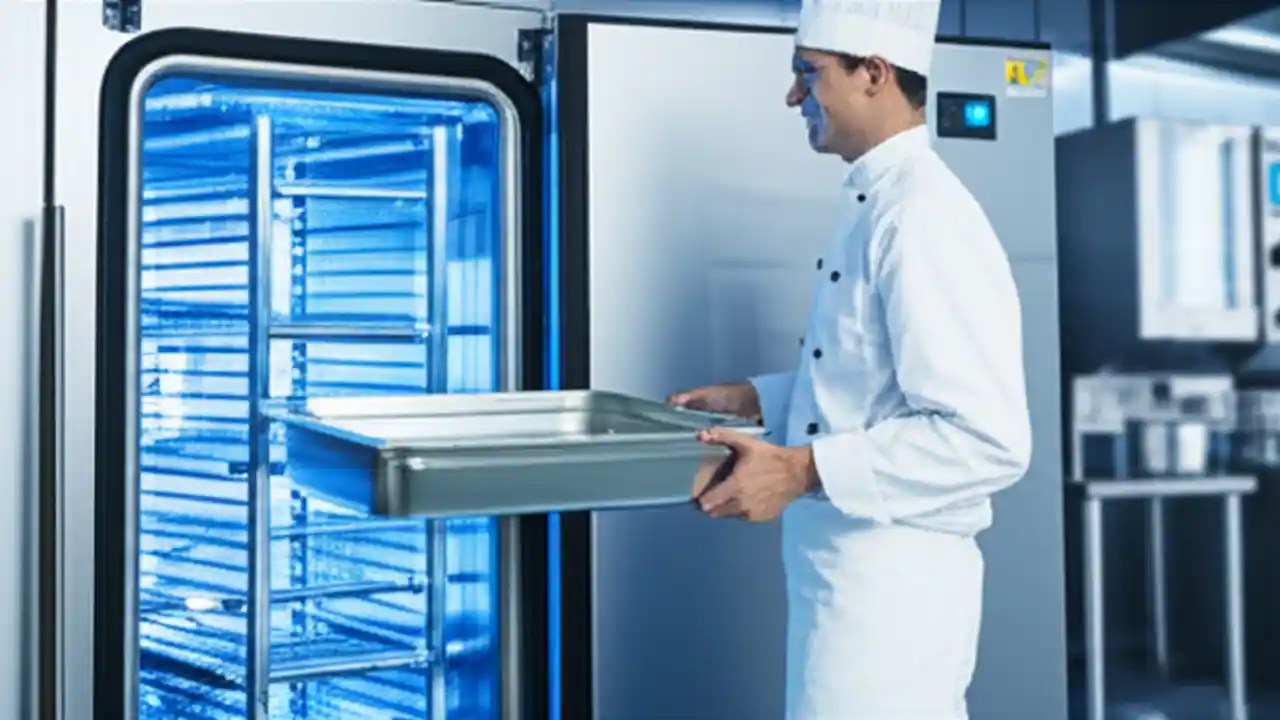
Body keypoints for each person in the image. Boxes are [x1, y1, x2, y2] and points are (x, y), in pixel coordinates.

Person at [667, 0, 1033, 717]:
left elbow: (987, 439)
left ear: (874, 74)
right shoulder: (878, 202)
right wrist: (764, 398)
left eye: (810, 73)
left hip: (892, 596)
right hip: (849, 583)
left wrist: (800, 468)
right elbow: (881, 383)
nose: (794, 96)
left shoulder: (921, 216)